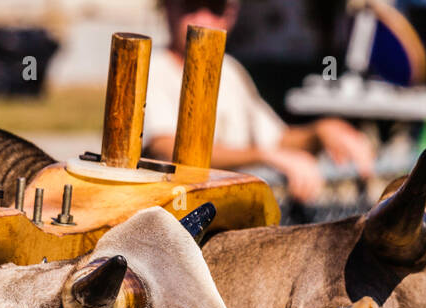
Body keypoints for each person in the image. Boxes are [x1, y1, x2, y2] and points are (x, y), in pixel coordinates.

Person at [141, 0, 375, 204]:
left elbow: (277, 139)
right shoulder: (153, 69)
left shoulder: (231, 70)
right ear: (168, 6)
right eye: (191, 6)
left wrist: (322, 131)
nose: (203, 19)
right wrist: (263, 156)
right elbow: (164, 148)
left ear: (231, 13)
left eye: (215, 7)